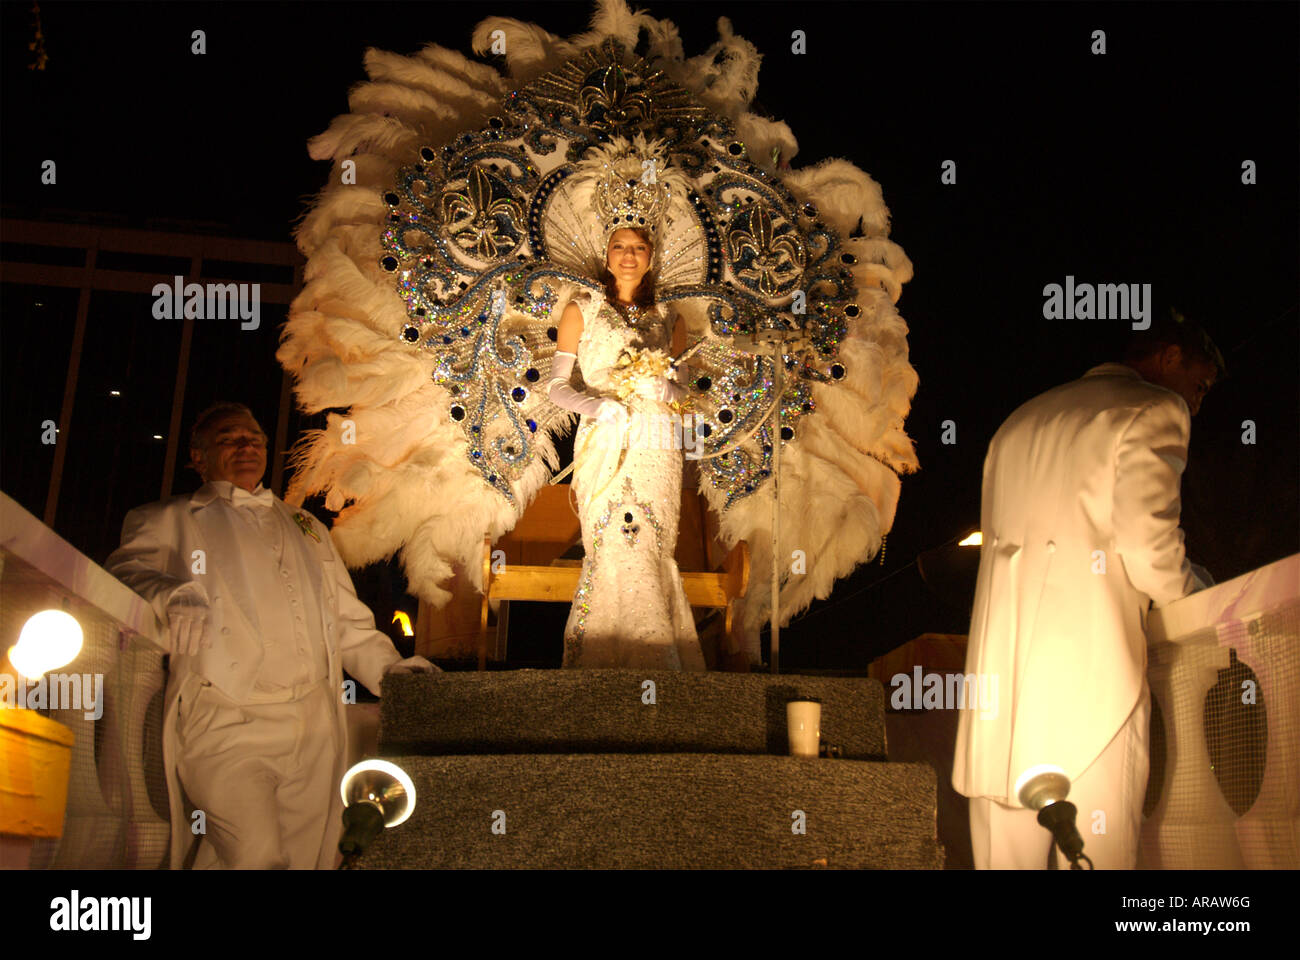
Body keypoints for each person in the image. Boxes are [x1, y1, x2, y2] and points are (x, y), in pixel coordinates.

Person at [106, 402, 434, 868]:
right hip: (226, 718)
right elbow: (125, 569)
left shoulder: (309, 527)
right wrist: (172, 593)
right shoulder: (167, 518)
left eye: (255, 438)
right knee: (253, 855)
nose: (246, 446)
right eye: (229, 438)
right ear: (198, 458)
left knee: (301, 859)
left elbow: (347, 622)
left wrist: (393, 675)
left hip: (313, 722)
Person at [952, 310, 1225, 869]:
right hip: (1092, 694)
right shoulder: (1153, 409)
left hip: (999, 707)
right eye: (1198, 386)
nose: (1196, 403)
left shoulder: (1019, 420)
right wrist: (1210, 601)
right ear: (1169, 357)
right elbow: (1149, 550)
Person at [547, 225, 706, 670]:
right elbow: (557, 386)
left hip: (657, 442)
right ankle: (601, 660)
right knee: (612, 539)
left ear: (651, 257)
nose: (628, 256)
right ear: (606, 254)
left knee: (651, 542)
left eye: (638, 248)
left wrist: (666, 389)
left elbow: (685, 391)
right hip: (606, 436)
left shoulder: (671, 318)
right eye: (620, 247)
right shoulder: (583, 309)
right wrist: (594, 406)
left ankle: (659, 661)